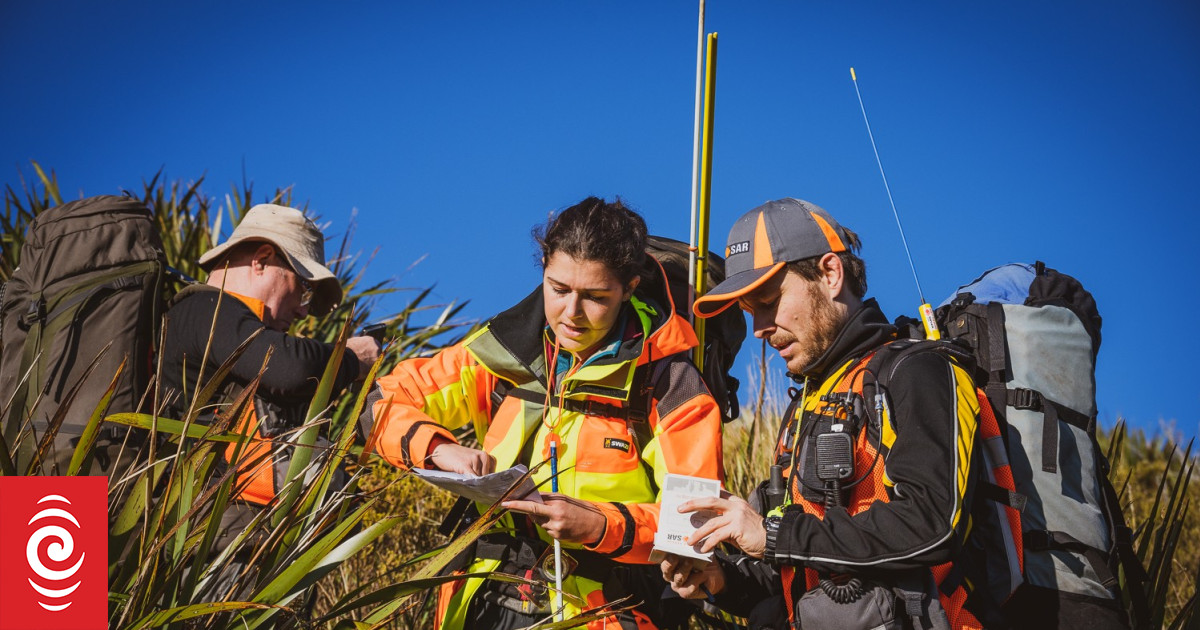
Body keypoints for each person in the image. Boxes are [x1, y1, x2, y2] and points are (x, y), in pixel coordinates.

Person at [362, 197, 724, 629]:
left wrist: (598, 525)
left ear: (629, 287)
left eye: (595, 297)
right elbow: (382, 399)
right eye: (559, 289)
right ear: (544, 269)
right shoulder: (504, 352)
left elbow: (693, 526)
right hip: (479, 602)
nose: (571, 313)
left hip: (605, 612)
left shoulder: (671, 383)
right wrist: (439, 449)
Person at [660, 198, 986, 629]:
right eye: (749, 312)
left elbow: (932, 525)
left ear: (830, 274)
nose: (759, 329)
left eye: (768, 300)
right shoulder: (806, 406)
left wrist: (773, 536)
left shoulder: (918, 370)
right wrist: (722, 580)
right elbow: (802, 576)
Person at [158, 203, 380, 535]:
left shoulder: (214, 323)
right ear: (262, 260)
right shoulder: (205, 308)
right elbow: (289, 367)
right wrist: (349, 358)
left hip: (211, 533)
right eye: (304, 289)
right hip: (195, 539)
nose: (303, 312)